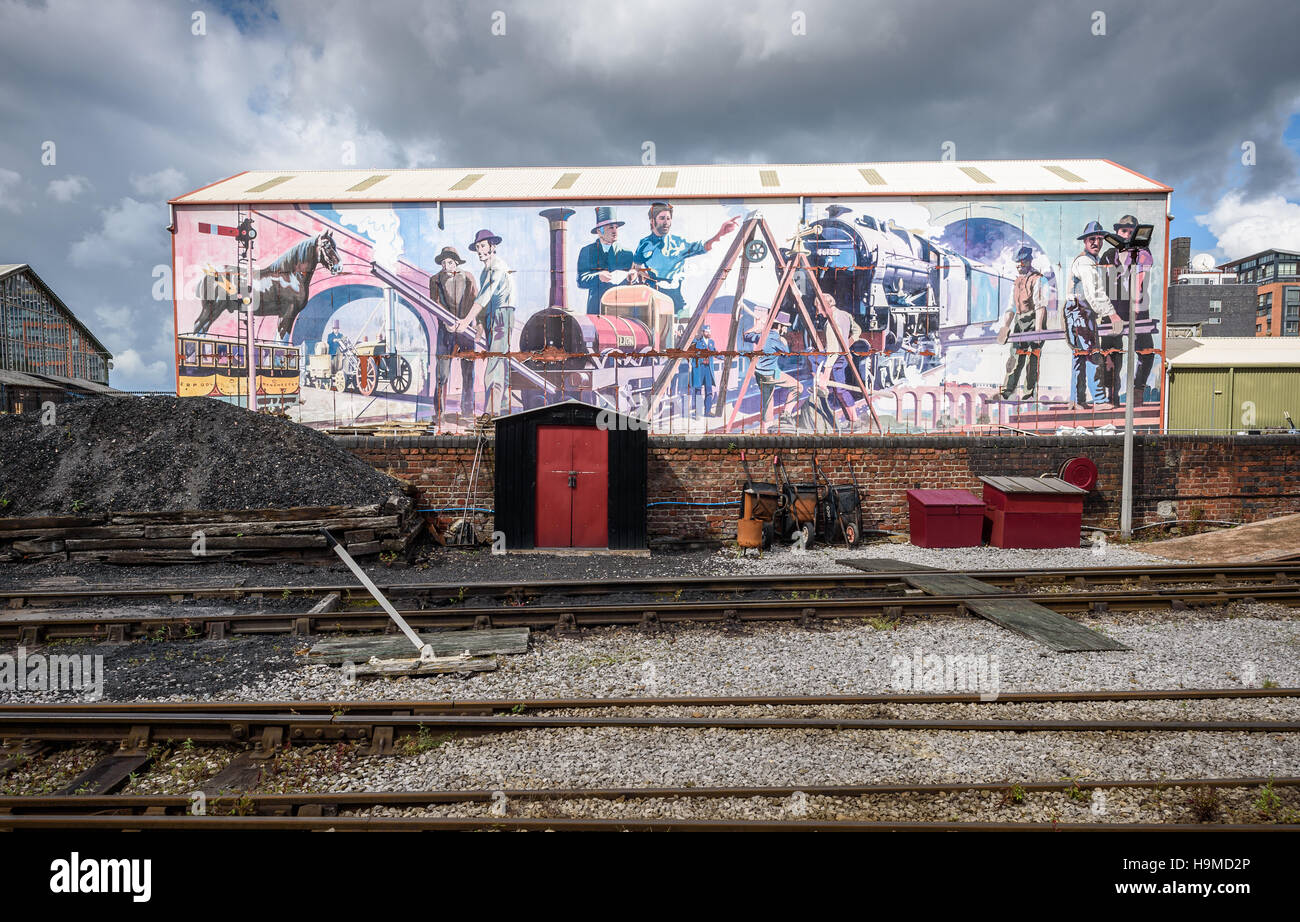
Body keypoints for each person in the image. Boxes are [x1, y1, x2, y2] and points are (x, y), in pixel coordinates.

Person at [630, 202, 739, 344]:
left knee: (673, 339)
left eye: (668, 219)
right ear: (652, 221)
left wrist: (720, 233)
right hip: (651, 298)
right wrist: (634, 273)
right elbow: (635, 266)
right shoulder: (644, 243)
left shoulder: (678, 243)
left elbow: (702, 246)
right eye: (662, 218)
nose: (666, 222)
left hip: (674, 299)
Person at [454, 229, 514, 417]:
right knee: (498, 359)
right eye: (478, 247)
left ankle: (492, 412)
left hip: (502, 314)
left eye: (483, 246)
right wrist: (479, 323)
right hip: (491, 315)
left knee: (495, 360)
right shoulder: (485, 270)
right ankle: (500, 408)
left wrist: (465, 321)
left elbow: (485, 295)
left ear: (492, 247)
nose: (480, 250)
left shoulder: (497, 267)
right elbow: (483, 298)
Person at [1065, 221, 1122, 408]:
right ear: (1085, 242)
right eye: (1092, 239)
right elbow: (1093, 292)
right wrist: (1111, 313)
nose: (1096, 243)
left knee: (1079, 355)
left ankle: (1075, 401)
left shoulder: (1087, 261)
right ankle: (1098, 400)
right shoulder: (1085, 262)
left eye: (1099, 239)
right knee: (1092, 354)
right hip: (1079, 313)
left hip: (1076, 313)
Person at [1100, 215, 1155, 406]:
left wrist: (1137, 307)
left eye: (1131, 232)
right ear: (1117, 232)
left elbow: (1140, 281)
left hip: (1138, 306)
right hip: (1112, 308)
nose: (1127, 235)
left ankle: (1137, 390)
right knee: (1110, 352)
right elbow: (1102, 283)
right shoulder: (1108, 254)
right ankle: (1112, 395)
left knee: (1146, 350)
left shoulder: (1142, 252)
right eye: (1124, 231)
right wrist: (1106, 312)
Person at [429, 246, 479, 420]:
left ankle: (467, 412)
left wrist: (475, 325)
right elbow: (435, 303)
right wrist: (446, 321)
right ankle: (439, 412)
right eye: (443, 262)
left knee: (468, 373)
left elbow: (477, 303)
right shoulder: (435, 280)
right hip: (446, 331)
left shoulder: (469, 278)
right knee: (441, 373)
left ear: (456, 262)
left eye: (449, 262)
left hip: (466, 332)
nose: (445, 265)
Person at [998, 245, 1050, 401]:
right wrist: (1005, 327)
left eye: (1023, 262)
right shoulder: (1017, 282)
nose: (1020, 265)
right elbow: (1011, 307)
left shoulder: (1038, 279)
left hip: (1035, 318)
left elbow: (1040, 306)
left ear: (1029, 261)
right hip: (1020, 320)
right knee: (1015, 355)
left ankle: (1029, 391)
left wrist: (1038, 331)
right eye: (1018, 262)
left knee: (1033, 357)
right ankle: (1008, 389)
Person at [743, 310, 800, 429]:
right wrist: (784, 342)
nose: (785, 330)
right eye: (785, 327)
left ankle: (767, 428)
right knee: (798, 387)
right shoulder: (777, 339)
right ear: (779, 326)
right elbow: (786, 355)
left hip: (760, 374)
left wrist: (757, 326)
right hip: (771, 374)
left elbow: (746, 336)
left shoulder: (762, 335)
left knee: (768, 401)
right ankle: (786, 414)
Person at [576, 207, 634, 315]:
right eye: (610, 228)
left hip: (621, 311)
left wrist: (632, 278)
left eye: (616, 227)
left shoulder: (627, 253)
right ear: (599, 231)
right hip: (596, 310)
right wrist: (598, 277)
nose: (615, 231)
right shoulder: (587, 251)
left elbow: (631, 287)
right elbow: (581, 281)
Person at [689, 323, 716, 416]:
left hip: (708, 369)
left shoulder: (712, 342)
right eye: (707, 331)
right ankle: (698, 412)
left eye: (710, 331)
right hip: (700, 368)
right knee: (698, 390)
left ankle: (707, 411)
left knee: (709, 390)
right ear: (703, 332)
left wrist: (725, 356)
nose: (709, 332)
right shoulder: (697, 342)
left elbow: (715, 352)